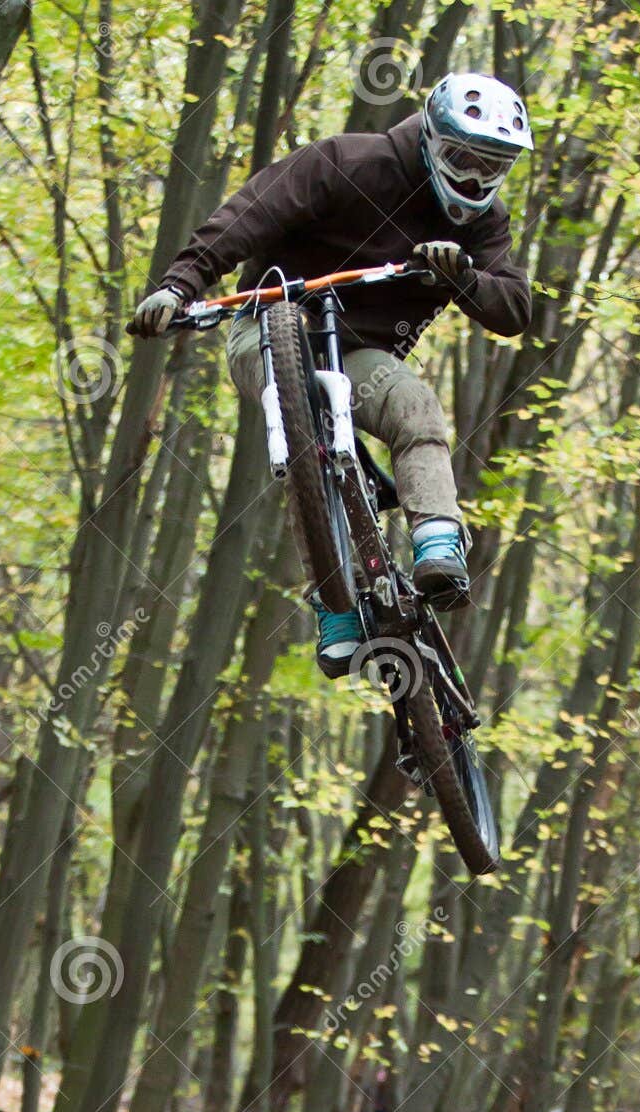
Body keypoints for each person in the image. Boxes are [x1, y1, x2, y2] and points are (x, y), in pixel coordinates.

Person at [133, 73, 533, 677]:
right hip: (265, 325)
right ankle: (334, 601)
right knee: (303, 439)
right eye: (462, 159)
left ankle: (438, 541)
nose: (474, 179)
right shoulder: (345, 161)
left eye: (492, 166)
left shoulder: (481, 222)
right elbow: (247, 215)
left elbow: (515, 308)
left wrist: (464, 279)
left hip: (362, 354)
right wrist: (178, 285)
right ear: (430, 138)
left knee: (414, 404)